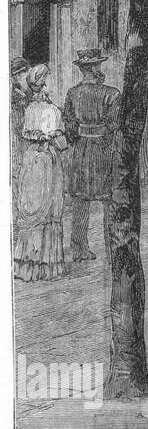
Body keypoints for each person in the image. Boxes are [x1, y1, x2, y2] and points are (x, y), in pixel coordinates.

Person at [63, 49, 120, 262]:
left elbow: (69, 125)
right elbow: (113, 126)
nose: (99, 70)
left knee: (80, 201)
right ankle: (113, 248)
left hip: (80, 150)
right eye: (98, 66)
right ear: (95, 68)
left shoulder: (72, 93)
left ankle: (79, 250)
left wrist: (79, 136)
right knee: (109, 201)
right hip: (103, 152)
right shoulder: (112, 94)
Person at [14, 64, 69, 282]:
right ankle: (47, 266)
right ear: (44, 86)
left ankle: (27, 265)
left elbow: (28, 135)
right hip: (47, 161)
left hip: (31, 161)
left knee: (32, 206)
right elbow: (61, 142)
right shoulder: (52, 111)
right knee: (49, 209)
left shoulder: (29, 110)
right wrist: (58, 140)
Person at [10, 57, 32, 206]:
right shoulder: (15, 94)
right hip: (20, 137)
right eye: (18, 75)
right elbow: (17, 122)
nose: (21, 77)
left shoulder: (29, 91)